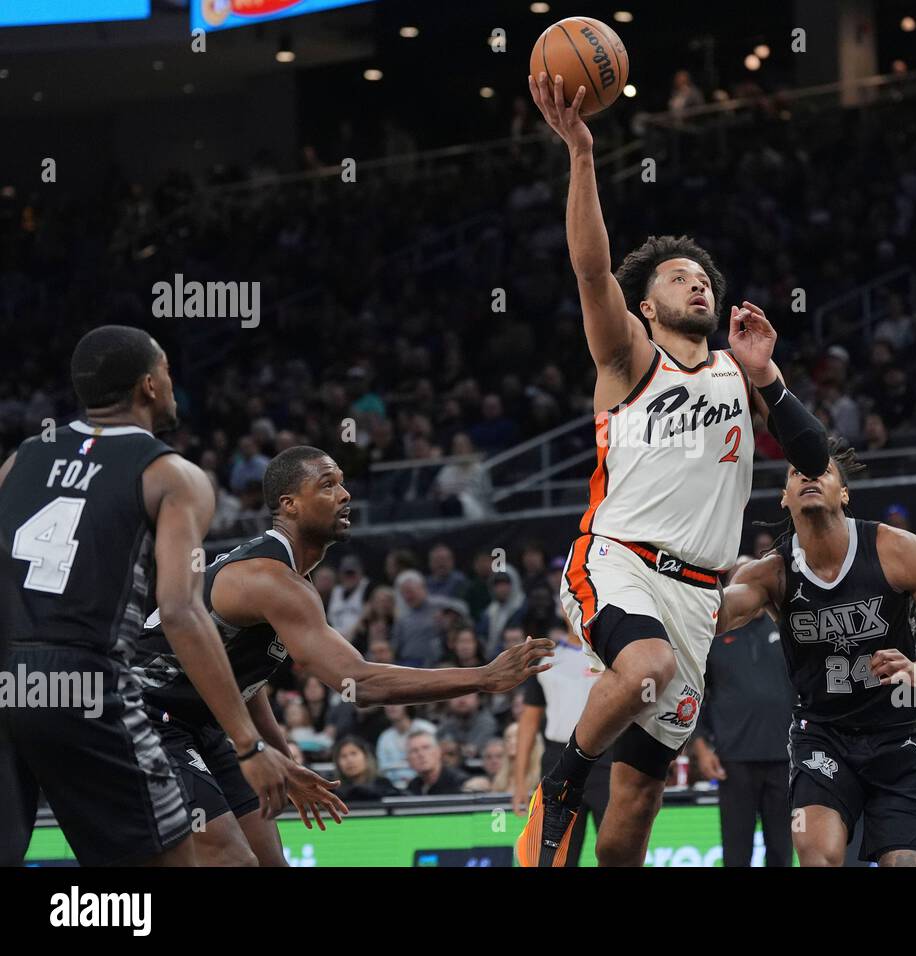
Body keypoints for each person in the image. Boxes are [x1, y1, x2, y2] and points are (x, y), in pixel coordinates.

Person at [518, 70, 829, 868]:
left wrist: (769, 377)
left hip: (699, 596)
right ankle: (559, 783)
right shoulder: (628, 356)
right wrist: (582, 153)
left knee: (641, 797)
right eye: (678, 277)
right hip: (616, 558)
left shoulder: (737, 370)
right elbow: (592, 272)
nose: (698, 281)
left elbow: (817, 463)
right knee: (643, 668)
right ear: (648, 305)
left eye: (704, 278)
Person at [130, 446, 553, 865]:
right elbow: (361, 683)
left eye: (343, 483)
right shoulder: (270, 579)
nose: (345, 494)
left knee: (269, 862)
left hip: (200, 724)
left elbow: (238, 676)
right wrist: (481, 676)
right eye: (328, 484)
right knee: (231, 860)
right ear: (289, 505)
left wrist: (282, 757)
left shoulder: (294, 582)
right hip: (145, 716)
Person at [0, 326, 300, 867]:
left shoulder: (20, 460)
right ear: (149, 385)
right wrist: (248, 744)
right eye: (166, 371)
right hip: (89, 682)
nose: (171, 382)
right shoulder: (172, 475)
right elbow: (183, 612)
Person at [715, 441, 916, 866]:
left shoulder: (895, 549)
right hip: (822, 735)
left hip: (898, 733)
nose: (808, 475)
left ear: (844, 492)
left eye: (821, 470)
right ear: (784, 497)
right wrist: (692, 572)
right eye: (796, 472)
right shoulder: (770, 572)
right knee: (817, 855)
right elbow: (714, 616)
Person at [693, 566, 798, 867]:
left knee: (782, 849)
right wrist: (701, 747)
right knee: (736, 852)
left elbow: (807, 687)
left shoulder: (786, 627)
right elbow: (694, 695)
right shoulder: (711, 635)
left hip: (784, 756)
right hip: (733, 759)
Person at [514, 624, 612, 866]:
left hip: (608, 760)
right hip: (559, 761)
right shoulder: (548, 660)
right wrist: (519, 783)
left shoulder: (615, 655)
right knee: (555, 857)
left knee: (617, 852)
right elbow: (528, 723)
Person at [332, 736, 399, 802]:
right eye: (343, 756)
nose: (349, 760)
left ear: (366, 757)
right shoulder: (334, 792)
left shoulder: (383, 785)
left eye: (354, 753)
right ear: (337, 763)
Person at [404, 730, 470, 795]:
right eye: (414, 751)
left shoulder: (458, 781)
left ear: (438, 751)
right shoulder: (414, 786)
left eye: (426, 748)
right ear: (408, 759)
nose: (421, 754)